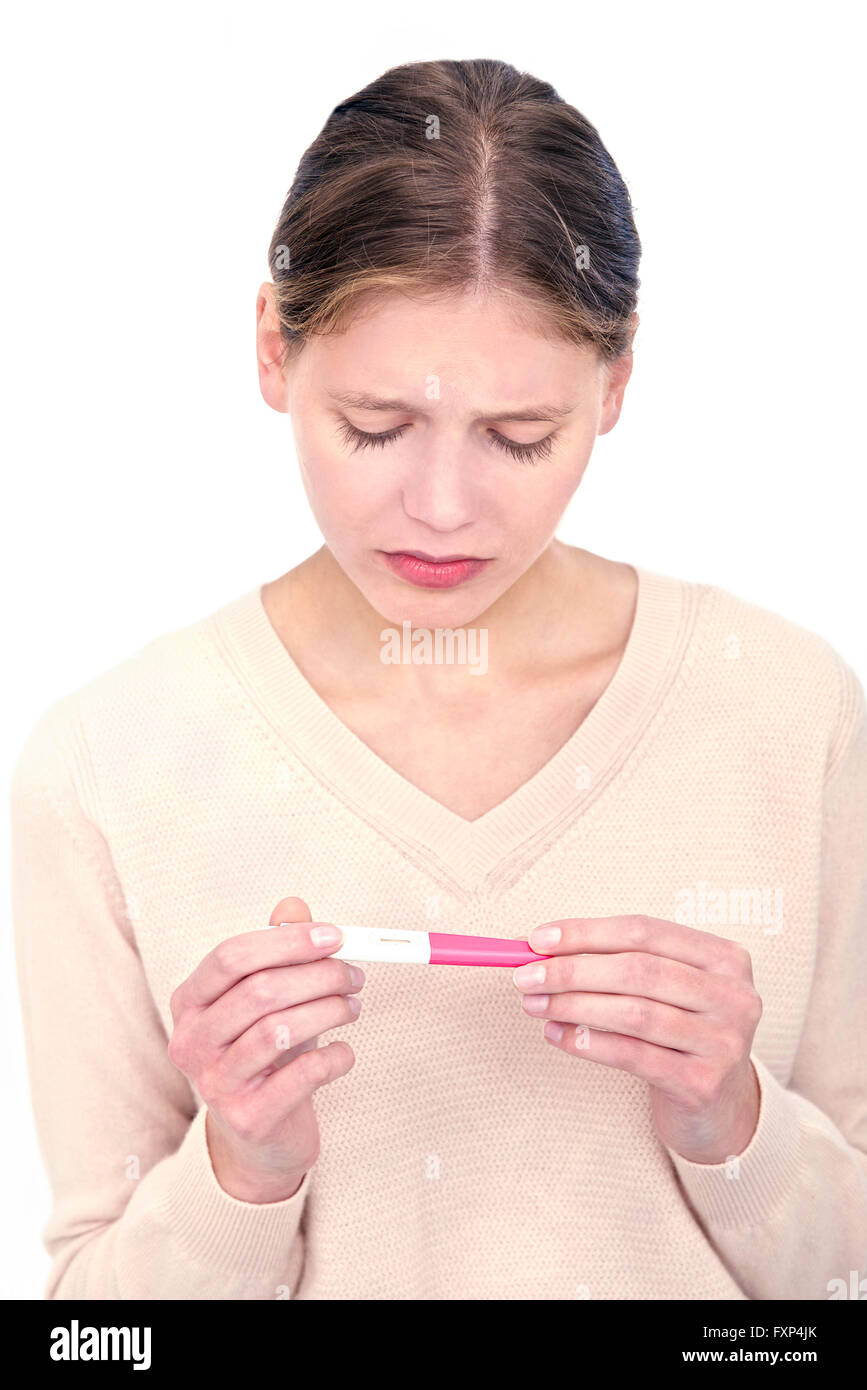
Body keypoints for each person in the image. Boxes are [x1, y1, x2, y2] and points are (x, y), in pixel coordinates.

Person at [10, 57, 866, 1301]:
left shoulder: (794, 714)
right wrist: (240, 1172)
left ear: (618, 384)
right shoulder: (104, 770)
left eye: (521, 438)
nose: (444, 509)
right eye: (375, 427)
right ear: (270, 350)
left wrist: (736, 1122)